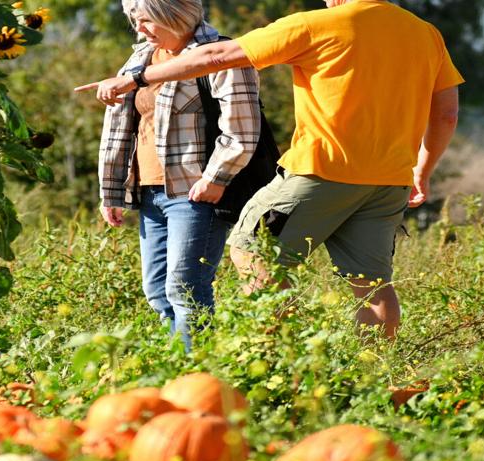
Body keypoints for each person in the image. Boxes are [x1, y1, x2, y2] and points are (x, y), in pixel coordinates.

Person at [76, 0, 462, 339]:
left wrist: (138, 78)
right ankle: (377, 370)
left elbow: (215, 56)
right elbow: (445, 114)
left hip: (320, 171)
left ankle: (276, 355)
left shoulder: (316, 24)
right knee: (373, 287)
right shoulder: (424, 33)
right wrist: (421, 171)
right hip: (388, 182)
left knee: (251, 249)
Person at [93, 0, 262, 351]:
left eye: (145, 20)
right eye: (134, 21)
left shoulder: (220, 55)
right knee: (157, 291)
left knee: (185, 287)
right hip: (149, 191)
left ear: (173, 14)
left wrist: (216, 179)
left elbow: (242, 129)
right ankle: (175, 368)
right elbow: (120, 127)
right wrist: (111, 192)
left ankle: (193, 373)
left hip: (195, 193)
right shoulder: (139, 59)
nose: (139, 29)